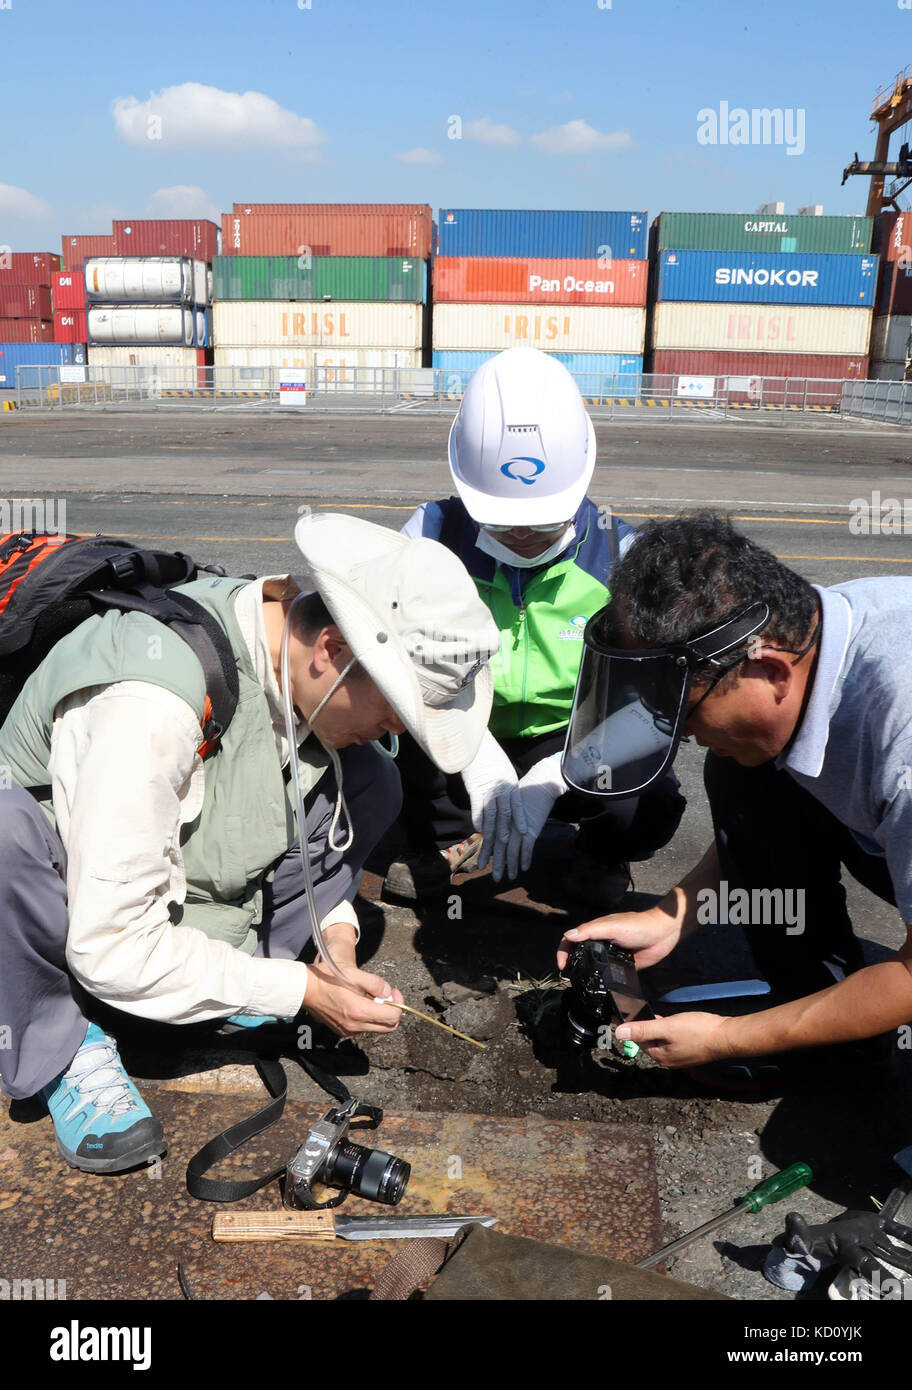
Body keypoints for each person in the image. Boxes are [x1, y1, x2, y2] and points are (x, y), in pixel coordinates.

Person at [0, 513, 499, 1174]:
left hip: (148, 853)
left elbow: (280, 799)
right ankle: (61, 1045)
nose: (397, 730)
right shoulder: (147, 707)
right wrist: (298, 991)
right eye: (395, 710)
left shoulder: (283, 645)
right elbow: (112, 946)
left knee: (373, 778)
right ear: (332, 650)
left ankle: (231, 970)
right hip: (74, 896)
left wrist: (334, 948)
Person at [558, 511, 912, 1076]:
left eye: (685, 711)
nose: (682, 734)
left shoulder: (902, 746)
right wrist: (672, 917)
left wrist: (729, 1038)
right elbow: (759, 824)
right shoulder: (812, 631)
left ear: (770, 672)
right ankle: (829, 1032)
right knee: (743, 767)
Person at [384, 346, 685, 904]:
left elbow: (655, 705)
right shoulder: (429, 534)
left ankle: (599, 852)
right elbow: (381, 652)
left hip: (572, 735)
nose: (521, 536)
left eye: (542, 522)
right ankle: (446, 838)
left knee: (646, 795)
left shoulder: (624, 554)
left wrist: (558, 773)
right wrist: (471, 747)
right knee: (387, 746)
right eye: (500, 522)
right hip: (463, 721)